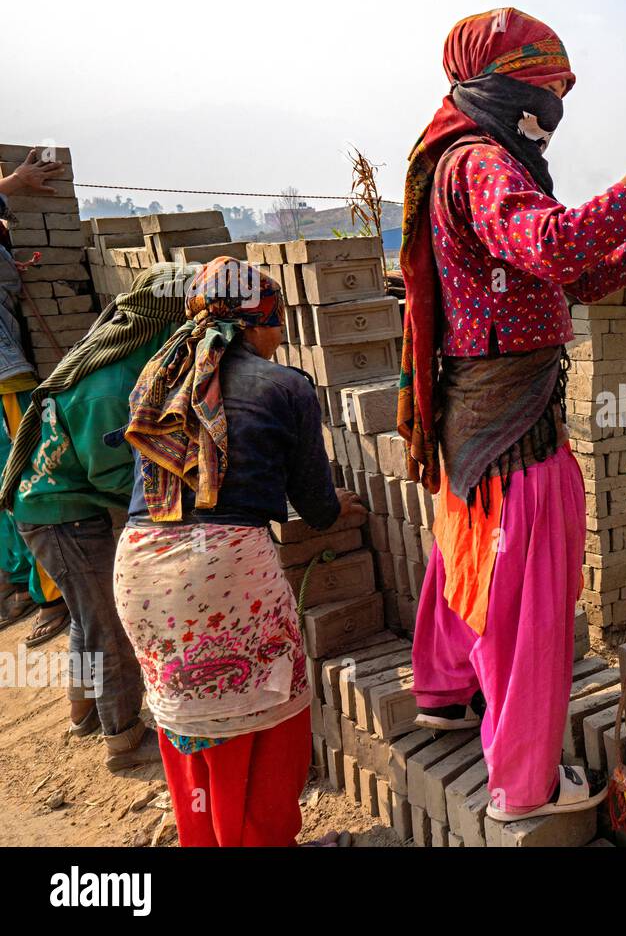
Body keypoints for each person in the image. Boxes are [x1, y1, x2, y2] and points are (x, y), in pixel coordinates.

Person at [398, 6, 626, 822]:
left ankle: (443, 693)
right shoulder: (479, 163)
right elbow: (551, 245)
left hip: (474, 415)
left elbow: (568, 276)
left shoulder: (474, 157)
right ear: (502, 86)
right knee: (527, 594)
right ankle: (525, 785)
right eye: (545, 90)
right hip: (513, 425)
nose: (552, 110)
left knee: (466, 553)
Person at [113, 257, 365, 847]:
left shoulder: (157, 378)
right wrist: (342, 510)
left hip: (140, 569)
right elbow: (316, 502)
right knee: (268, 725)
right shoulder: (286, 386)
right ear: (255, 322)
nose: (281, 338)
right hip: (222, 573)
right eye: (278, 323)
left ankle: (208, 836)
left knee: (192, 725)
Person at [0, 262, 188, 769]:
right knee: (109, 624)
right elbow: (112, 477)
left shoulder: (119, 352)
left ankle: (83, 713)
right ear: (165, 319)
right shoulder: (115, 383)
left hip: (48, 507)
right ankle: (124, 740)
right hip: (60, 515)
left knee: (87, 616)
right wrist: (180, 505)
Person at [0, 151, 70, 648]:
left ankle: (50, 593)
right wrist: (13, 183)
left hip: (5, 376)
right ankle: (23, 582)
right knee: (11, 483)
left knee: (26, 478)